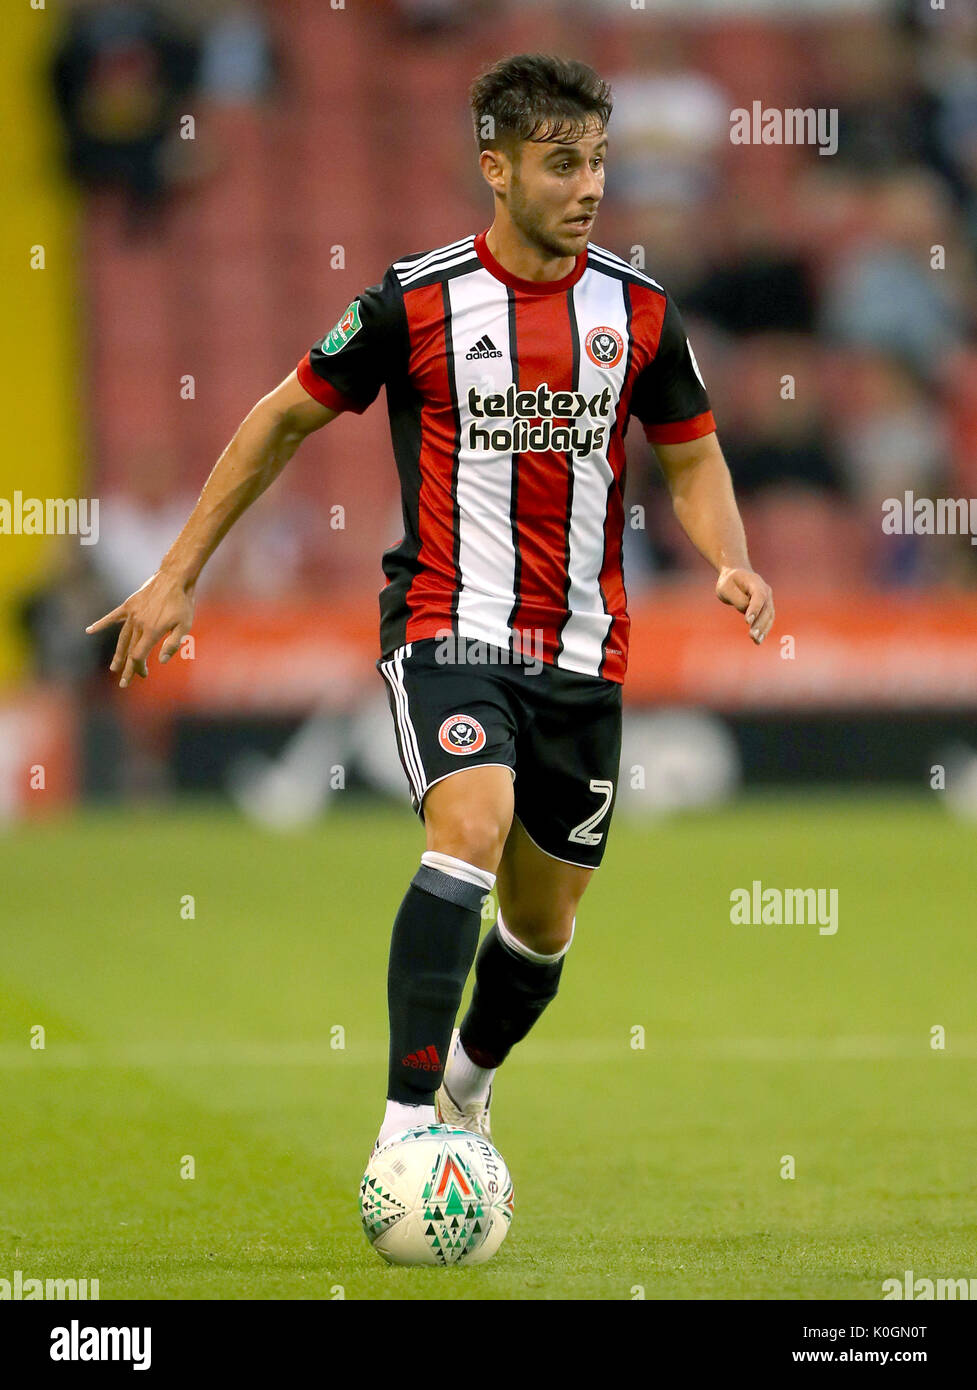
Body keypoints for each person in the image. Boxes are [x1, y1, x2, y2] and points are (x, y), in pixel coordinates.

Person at [87, 53, 774, 1165]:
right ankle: (406, 1125)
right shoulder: (411, 303)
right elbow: (277, 422)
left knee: (543, 927)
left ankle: (463, 1084)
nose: (589, 184)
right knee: (469, 822)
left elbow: (691, 461)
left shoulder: (640, 314)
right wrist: (177, 572)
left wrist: (729, 559)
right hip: (446, 625)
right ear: (494, 168)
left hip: (584, 648)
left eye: (597, 161)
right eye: (562, 164)